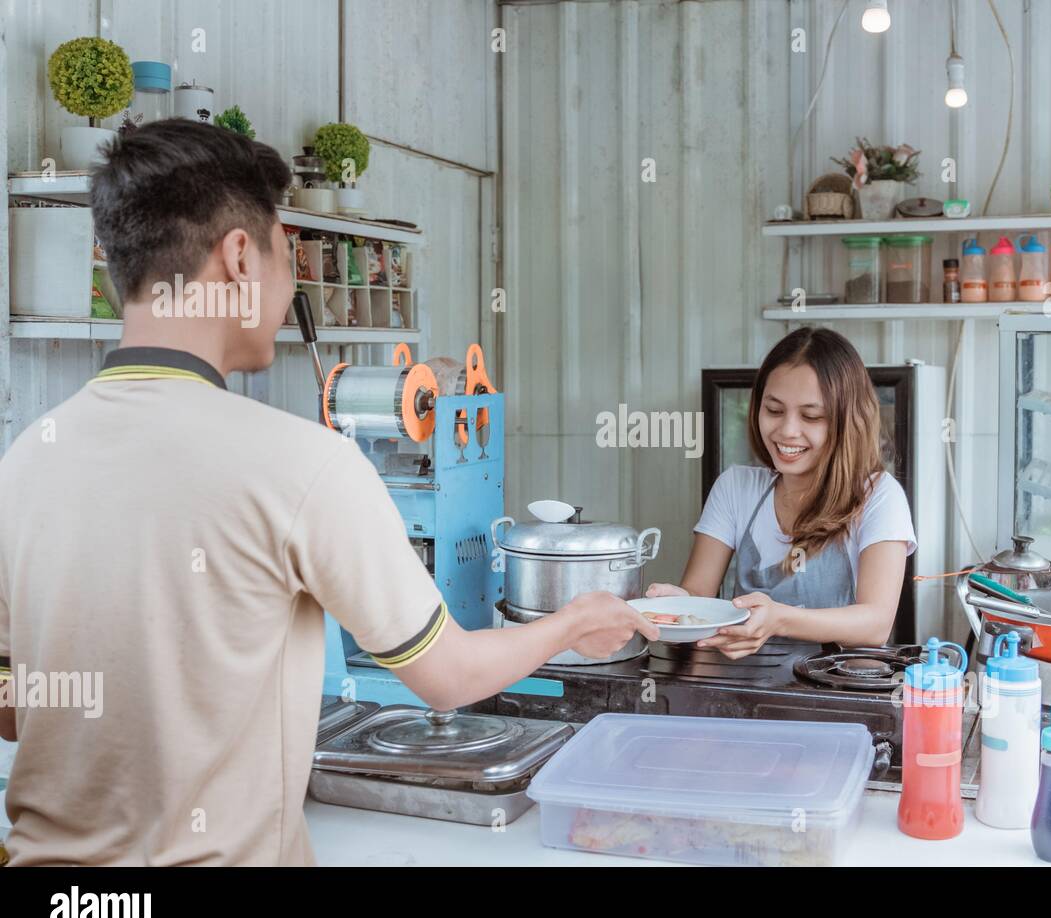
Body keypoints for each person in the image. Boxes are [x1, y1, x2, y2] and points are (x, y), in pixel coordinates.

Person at [0, 120, 655, 866]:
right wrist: (573, 622)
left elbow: (14, 709)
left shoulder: (26, 460)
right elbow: (448, 678)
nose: (291, 289)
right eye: (286, 256)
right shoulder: (301, 463)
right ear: (240, 256)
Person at [647, 327, 915, 658]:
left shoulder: (878, 496)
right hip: (740, 683)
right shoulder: (736, 487)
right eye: (774, 410)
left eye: (811, 416)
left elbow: (875, 625)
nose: (787, 430)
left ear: (848, 421)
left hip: (835, 686)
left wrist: (778, 620)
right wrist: (678, 607)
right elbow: (698, 597)